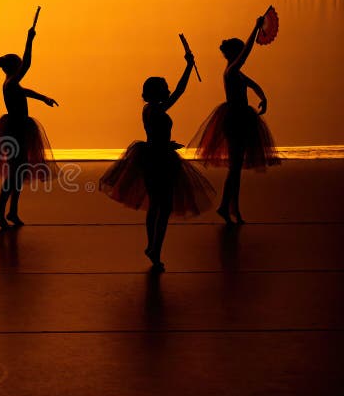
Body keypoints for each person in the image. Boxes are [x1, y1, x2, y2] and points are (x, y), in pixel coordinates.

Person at [100, 49, 214, 271]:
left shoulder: (150, 108)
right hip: (159, 159)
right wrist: (168, 145)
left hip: (152, 157)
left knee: (156, 206)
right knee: (164, 206)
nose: (168, 90)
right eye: (164, 87)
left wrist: (189, 66)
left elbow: (177, 94)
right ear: (157, 92)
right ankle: (155, 248)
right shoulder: (155, 111)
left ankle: (153, 247)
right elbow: (174, 101)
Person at [190, 14, 280, 224]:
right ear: (234, 55)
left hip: (241, 118)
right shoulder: (230, 71)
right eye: (239, 53)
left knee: (236, 168)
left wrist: (263, 97)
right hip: (234, 119)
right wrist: (255, 28)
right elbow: (247, 53)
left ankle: (231, 208)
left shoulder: (237, 74)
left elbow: (254, 85)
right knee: (234, 168)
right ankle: (227, 207)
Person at [0, 22, 58, 230]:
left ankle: (12, 210)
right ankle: (0, 210)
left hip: (18, 128)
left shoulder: (12, 83)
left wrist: (43, 98)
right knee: (15, 172)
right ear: (15, 68)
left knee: (19, 171)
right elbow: (28, 63)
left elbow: (26, 91)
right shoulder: (11, 82)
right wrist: (30, 40)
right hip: (16, 130)